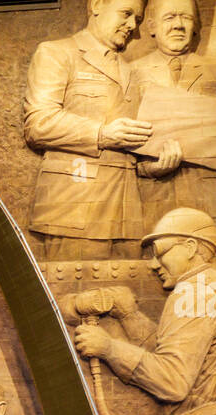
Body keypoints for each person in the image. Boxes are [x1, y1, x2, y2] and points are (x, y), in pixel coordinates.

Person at [70, 207, 216, 415]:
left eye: (160, 253)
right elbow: (182, 353)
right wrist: (129, 315)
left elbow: (173, 382)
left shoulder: (193, 293)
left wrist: (109, 348)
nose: (154, 264)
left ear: (190, 247)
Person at [129, 0, 216, 229]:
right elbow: (121, 145)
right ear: (151, 27)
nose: (178, 25)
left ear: (196, 26)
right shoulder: (131, 73)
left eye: (186, 18)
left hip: (206, 198)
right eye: (169, 17)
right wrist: (153, 169)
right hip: (150, 198)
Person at [22, 0, 151, 259]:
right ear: (97, 5)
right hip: (74, 207)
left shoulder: (134, 72)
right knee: (77, 295)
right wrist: (102, 134)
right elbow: (38, 124)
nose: (132, 26)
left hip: (128, 213)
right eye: (126, 14)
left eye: (137, 18)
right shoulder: (57, 53)